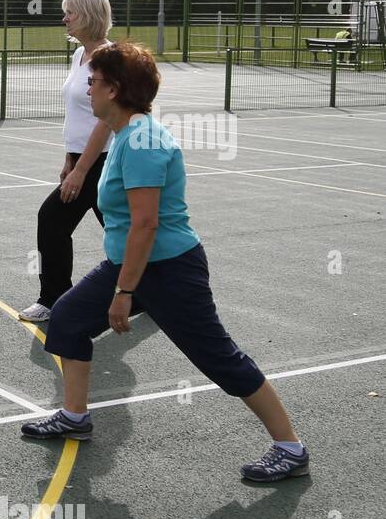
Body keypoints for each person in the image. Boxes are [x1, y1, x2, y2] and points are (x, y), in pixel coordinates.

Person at [20, 41, 308, 483]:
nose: (87, 89)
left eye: (93, 82)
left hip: (169, 269)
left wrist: (124, 294)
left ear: (114, 89)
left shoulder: (142, 141)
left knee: (218, 357)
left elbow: (146, 225)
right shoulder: (124, 133)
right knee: (68, 320)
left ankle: (289, 447)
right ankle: (75, 416)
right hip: (130, 263)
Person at [18, 0, 114, 321]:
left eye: (70, 13)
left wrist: (81, 170)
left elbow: (105, 121)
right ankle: (146, 291)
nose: (64, 19)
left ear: (88, 15)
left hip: (104, 162)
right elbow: (78, 116)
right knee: (119, 230)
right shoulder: (79, 56)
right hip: (83, 160)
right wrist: (69, 160)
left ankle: (53, 298)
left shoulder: (109, 57)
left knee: (52, 219)